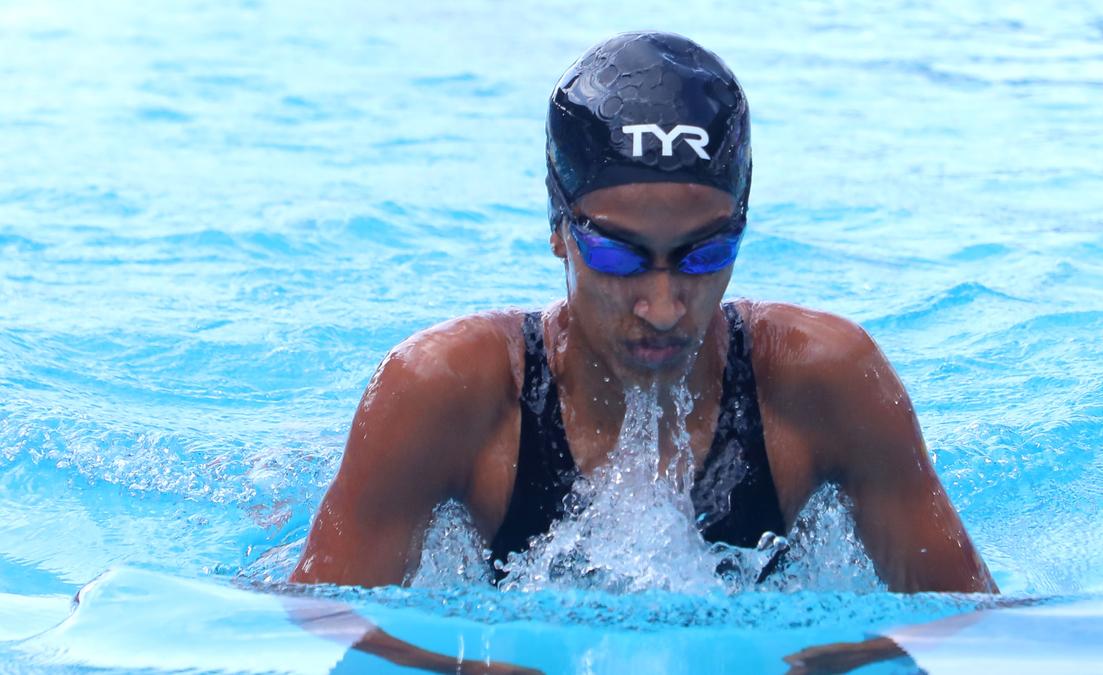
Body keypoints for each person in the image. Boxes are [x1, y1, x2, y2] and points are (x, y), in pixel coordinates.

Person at [290, 31, 995, 597]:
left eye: (704, 253)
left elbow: (975, 631)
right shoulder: (445, 390)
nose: (662, 306)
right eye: (620, 256)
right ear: (558, 227)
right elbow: (319, 630)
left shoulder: (826, 382)